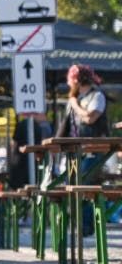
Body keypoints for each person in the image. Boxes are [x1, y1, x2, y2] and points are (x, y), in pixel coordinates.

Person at [56, 64, 109, 235]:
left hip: (93, 150)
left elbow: (90, 118)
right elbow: (67, 126)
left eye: (71, 80)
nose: (69, 84)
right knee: (73, 184)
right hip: (75, 151)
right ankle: (77, 224)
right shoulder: (75, 99)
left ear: (78, 80)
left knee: (84, 184)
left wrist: (75, 104)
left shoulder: (97, 96)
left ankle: (85, 226)